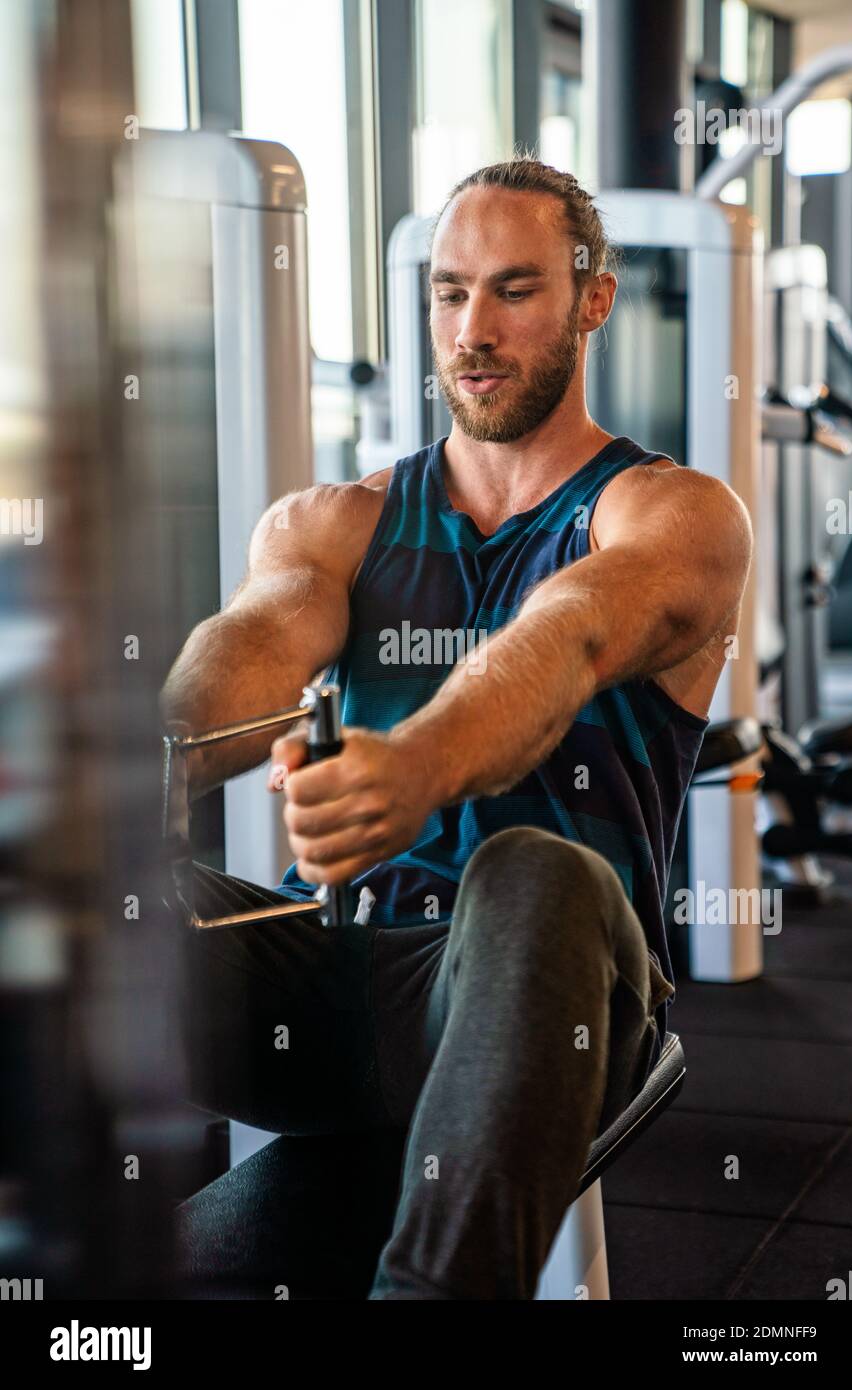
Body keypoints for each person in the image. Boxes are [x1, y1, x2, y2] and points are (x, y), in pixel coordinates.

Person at [161, 156, 752, 1300]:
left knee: (535, 872)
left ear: (593, 300)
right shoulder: (339, 521)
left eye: (514, 291)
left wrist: (419, 764)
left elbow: (572, 631)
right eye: (449, 292)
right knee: (56, 865)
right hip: (339, 984)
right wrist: (152, 758)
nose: (471, 329)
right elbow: (263, 640)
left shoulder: (670, 514)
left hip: (558, 996)